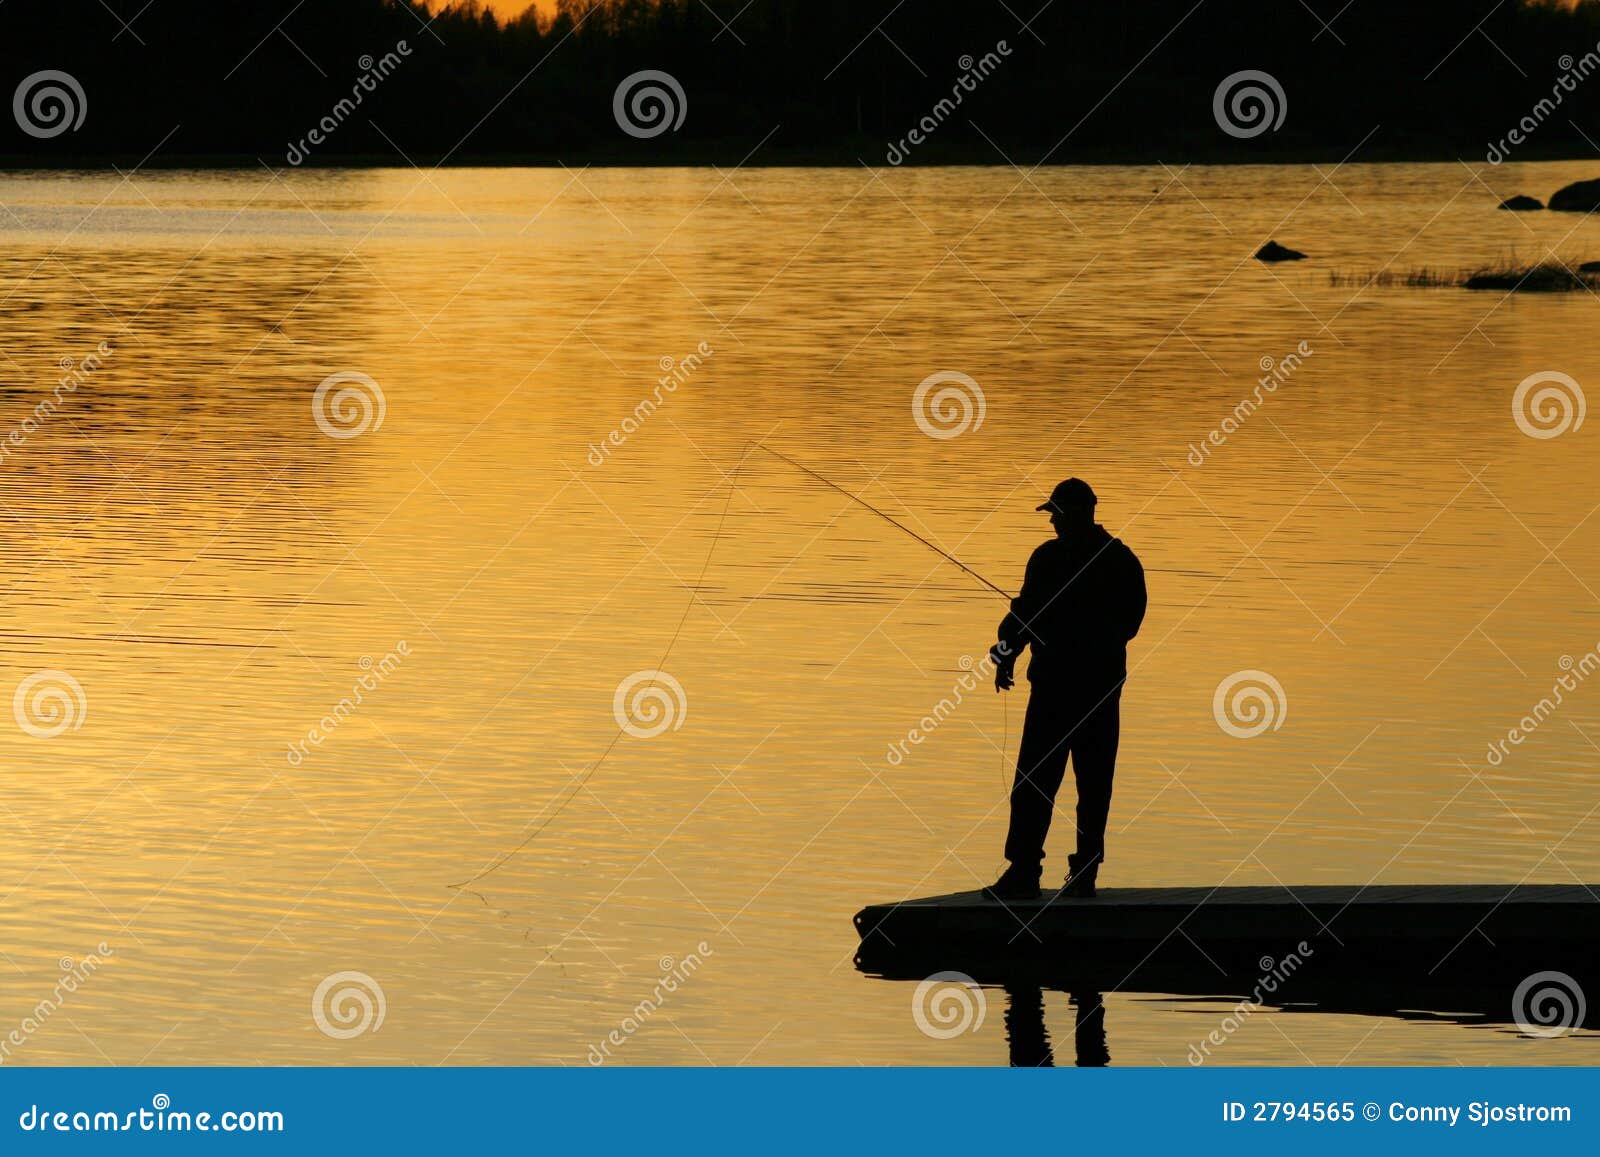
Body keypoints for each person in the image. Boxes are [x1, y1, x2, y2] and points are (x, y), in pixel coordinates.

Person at [985, 478, 1146, 901]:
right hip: (1099, 687)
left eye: (1056, 512)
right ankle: (1081, 874)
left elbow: (1026, 611)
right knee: (1092, 784)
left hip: (1061, 688)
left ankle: (1025, 872)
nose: (1053, 520)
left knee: (1038, 781)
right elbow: (1128, 625)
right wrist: (1010, 649)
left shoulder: (1055, 559)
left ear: (1078, 513)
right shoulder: (1122, 560)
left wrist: (1009, 650)